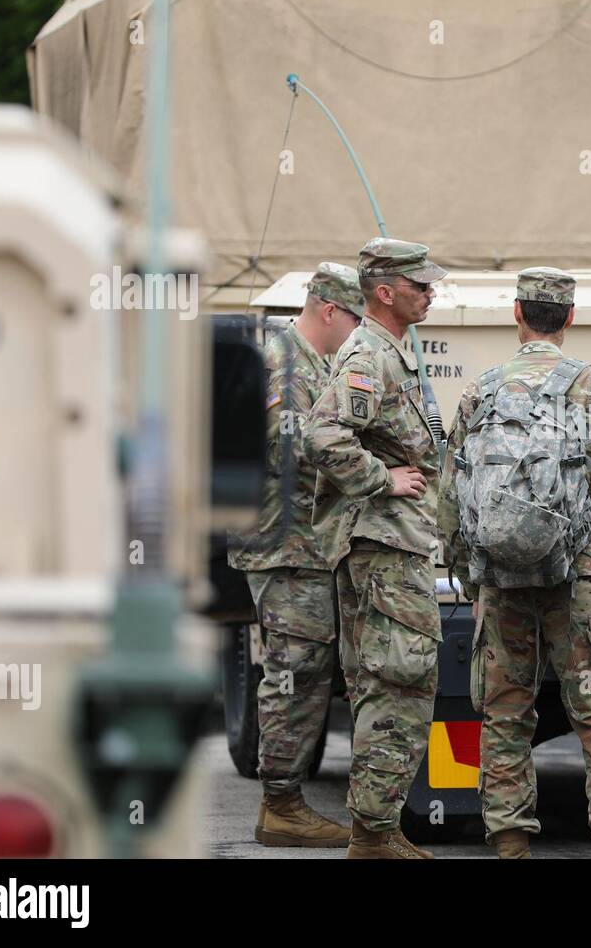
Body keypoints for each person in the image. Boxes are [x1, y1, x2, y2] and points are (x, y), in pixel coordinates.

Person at [438, 267, 591, 859]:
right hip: (578, 572)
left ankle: (508, 840)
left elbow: (451, 498)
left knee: (505, 710)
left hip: (499, 575)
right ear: (570, 319)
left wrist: (470, 573)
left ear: (516, 314)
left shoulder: (481, 390)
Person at [304, 238, 446, 859]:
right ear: (384, 292)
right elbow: (325, 434)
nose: (430, 292)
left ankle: (376, 829)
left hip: (390, 544)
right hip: (385, 546)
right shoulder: (370, 353)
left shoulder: (388, 351)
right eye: (420, 284)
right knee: (400, 685)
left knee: (383, 683)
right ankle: (376, 834)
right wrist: (379, 479)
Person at [230, 263, 364, 847]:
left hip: (303, 545)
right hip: (287, 546)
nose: (358, 331)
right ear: (329, 310)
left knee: (306, 672)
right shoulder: (285, 360)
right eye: (355, 318)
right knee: (294, 672)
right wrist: (365, 464)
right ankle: (281, 803)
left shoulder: (307, 360)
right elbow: (290, 445)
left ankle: (282, 802)